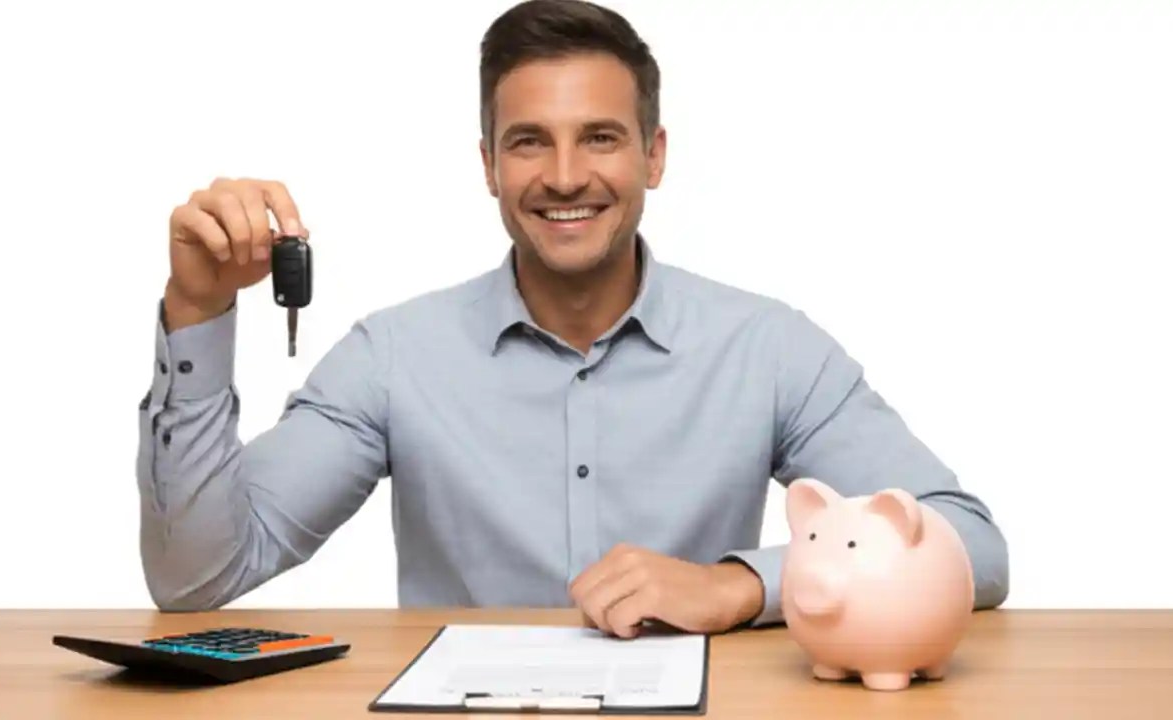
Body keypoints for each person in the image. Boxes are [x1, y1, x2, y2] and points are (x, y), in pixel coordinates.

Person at [139, 0, 1009, 637]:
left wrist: (740, 587)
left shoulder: (767, 349)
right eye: (529, 141)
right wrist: (201, 311)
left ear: (653, 156)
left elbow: (970, 546)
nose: (563, 176)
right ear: (488, 165)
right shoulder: (394, 358)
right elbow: (196, 577)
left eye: (599, 137)